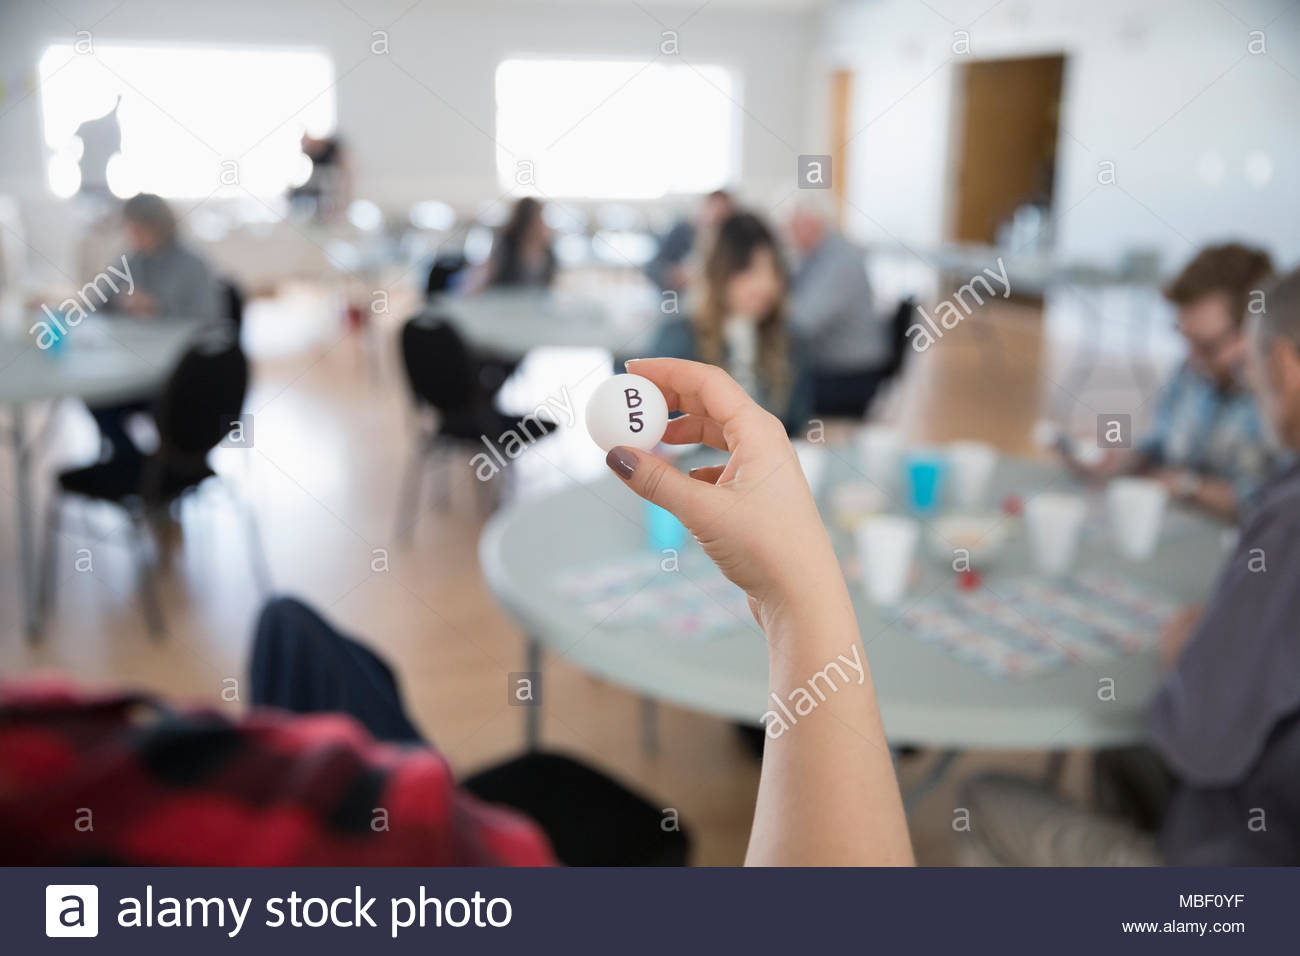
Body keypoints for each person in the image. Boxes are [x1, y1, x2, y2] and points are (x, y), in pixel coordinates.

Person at [0, 359, 915, 867]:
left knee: (292, 628)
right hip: (432, 832)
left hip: (358, 793)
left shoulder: (59, 761)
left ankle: (395, 746)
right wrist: (801, 592)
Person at [961, 267, 1300, 867]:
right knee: (1123, 753)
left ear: (1282, 362)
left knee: (983, 799)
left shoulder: (1286, 519)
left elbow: (1197, 734)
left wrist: (1190, 655)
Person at [1066, 243, 1276, 521]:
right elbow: (1160, 447)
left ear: (1255, 329)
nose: (1191, 357)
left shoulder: (1282, 403)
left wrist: (1187, 487)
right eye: (1185, 336)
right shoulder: (1193, 370)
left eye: (1207, 346)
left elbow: (1272, 507)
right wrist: (1116, 459)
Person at [90, 193, 223, 465]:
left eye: (139, 229)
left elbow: (211, 323)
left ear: (159, 226)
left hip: (178, 376)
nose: (134, 236)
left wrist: (157, 308)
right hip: (132, 366)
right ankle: (134, 467)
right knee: (95, 399)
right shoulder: (130, 261)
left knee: (167, 411)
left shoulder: (194, 264)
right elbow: (99, 302)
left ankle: (161, 473)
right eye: (130, 229)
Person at [650, 212, 812, 433]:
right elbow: (664, 429)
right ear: (720, 272)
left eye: (773, 271)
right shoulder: (679, 338)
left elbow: (796, 425)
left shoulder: (790, 341)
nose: (766, 285)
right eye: (749, 270)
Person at [785, 196, 889, 417]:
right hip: (833, 368)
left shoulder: (840, 260)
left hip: (849, 374)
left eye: (792, 225)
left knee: (778, 394)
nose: (787, 233)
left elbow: (803, 322)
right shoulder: (814, 255)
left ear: (812, 223)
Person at [644, 189, 734, 294]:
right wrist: (674, 275)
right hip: (682, 296)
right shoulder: (682, 232)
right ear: (704, 208)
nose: (716, 219)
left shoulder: (730, 242)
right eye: (714, 210)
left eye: (723, 215)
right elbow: (652, 268)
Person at [479, 197, 556, 290]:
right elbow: (484, 277)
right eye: (539, 218)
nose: (544, 224)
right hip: (507, 302)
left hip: (537, 304)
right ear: (527, 223)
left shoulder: (548, 252)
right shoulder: (506, 248)